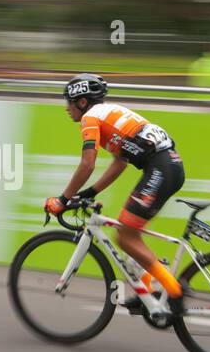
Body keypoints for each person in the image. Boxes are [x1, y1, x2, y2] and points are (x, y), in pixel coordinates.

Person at [44, 73, 186, 310]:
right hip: (168, 166)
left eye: (68, 102)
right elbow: (120, 162)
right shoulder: (108, 112)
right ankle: (151, 287)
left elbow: (87, 164)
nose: (66, 108)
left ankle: (174, 292)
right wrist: (90, 192)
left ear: (81, 102)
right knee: (128, 233)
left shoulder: (90, 118)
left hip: (161, 168)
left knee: (125, 235)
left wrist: (63, 199)